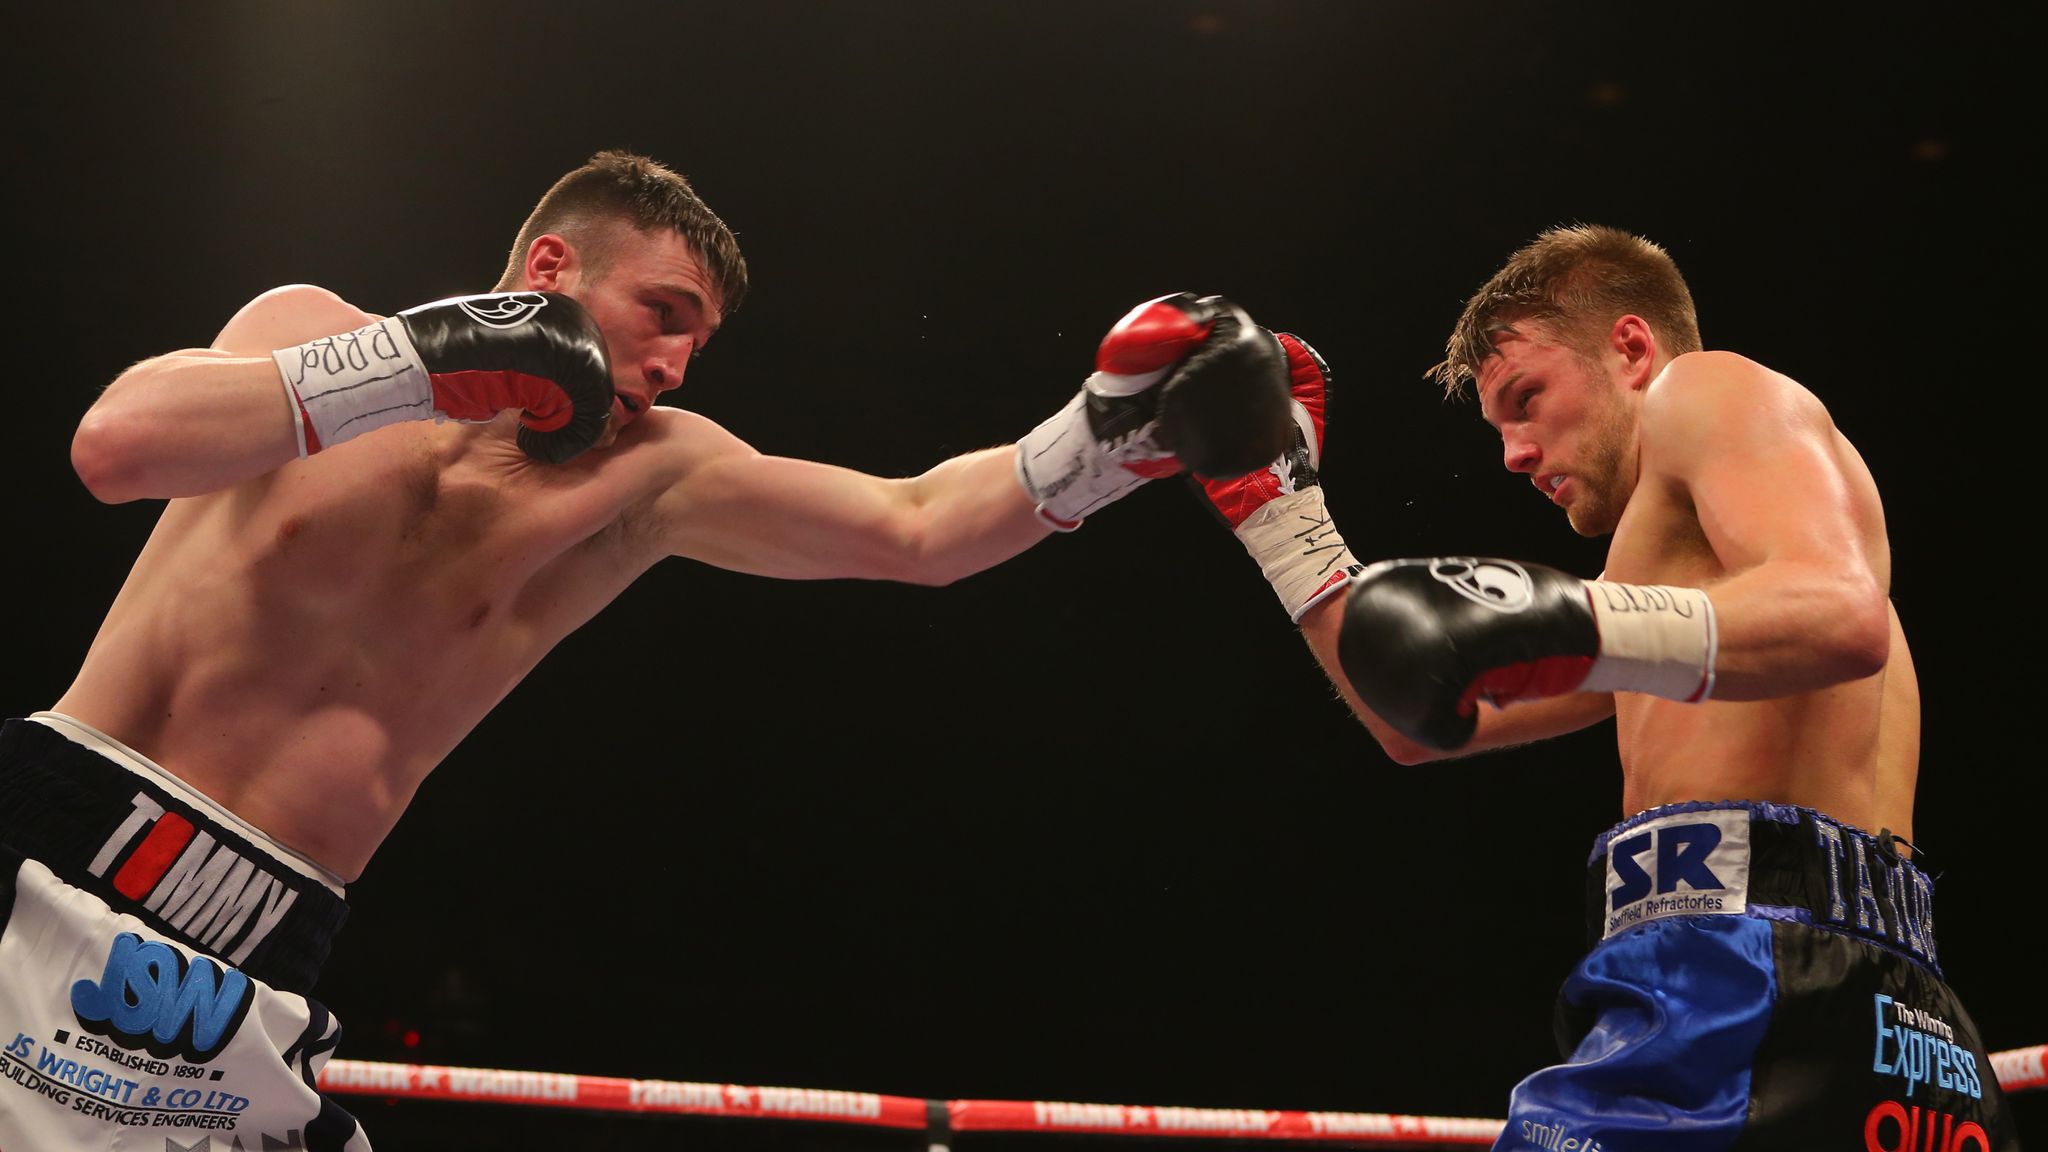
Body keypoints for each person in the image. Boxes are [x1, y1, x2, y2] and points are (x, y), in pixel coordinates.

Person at [0, 148, 1294, 1151]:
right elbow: (117, 448)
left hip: (251, 960)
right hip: (47, 848)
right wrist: (421, 362)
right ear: (552, 271)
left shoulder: (646, 478)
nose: (674, 365)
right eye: (660, 313)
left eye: (697, 343)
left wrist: (1112, 426)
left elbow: (917, 529)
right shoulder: (309, 325)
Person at [1195, 224, 2018, 1149]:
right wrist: (1282, 516)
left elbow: (1846, 615)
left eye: (1528, 398)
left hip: (1744, 986)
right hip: (1897, 1025)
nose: (1514, 452)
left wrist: (1571, 621)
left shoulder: (1709, 390)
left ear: (1630, 347)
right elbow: (1423, 722)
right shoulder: (1693, 602)